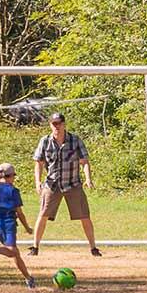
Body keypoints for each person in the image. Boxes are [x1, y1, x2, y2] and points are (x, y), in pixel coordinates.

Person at [31, 109, 102, 258]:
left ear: (64, 124)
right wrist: (37, 181)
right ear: (50, 125)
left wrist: (88, 178)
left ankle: (93, 248)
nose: (57, 126)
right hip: (52, 184)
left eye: (59, 123)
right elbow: (39, 162)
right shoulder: (45, 141)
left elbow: (84, 161)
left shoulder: (75, 140)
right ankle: (35, 247)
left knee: (85, 216)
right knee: (42, 215)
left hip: (73, 184)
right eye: (54, 123)